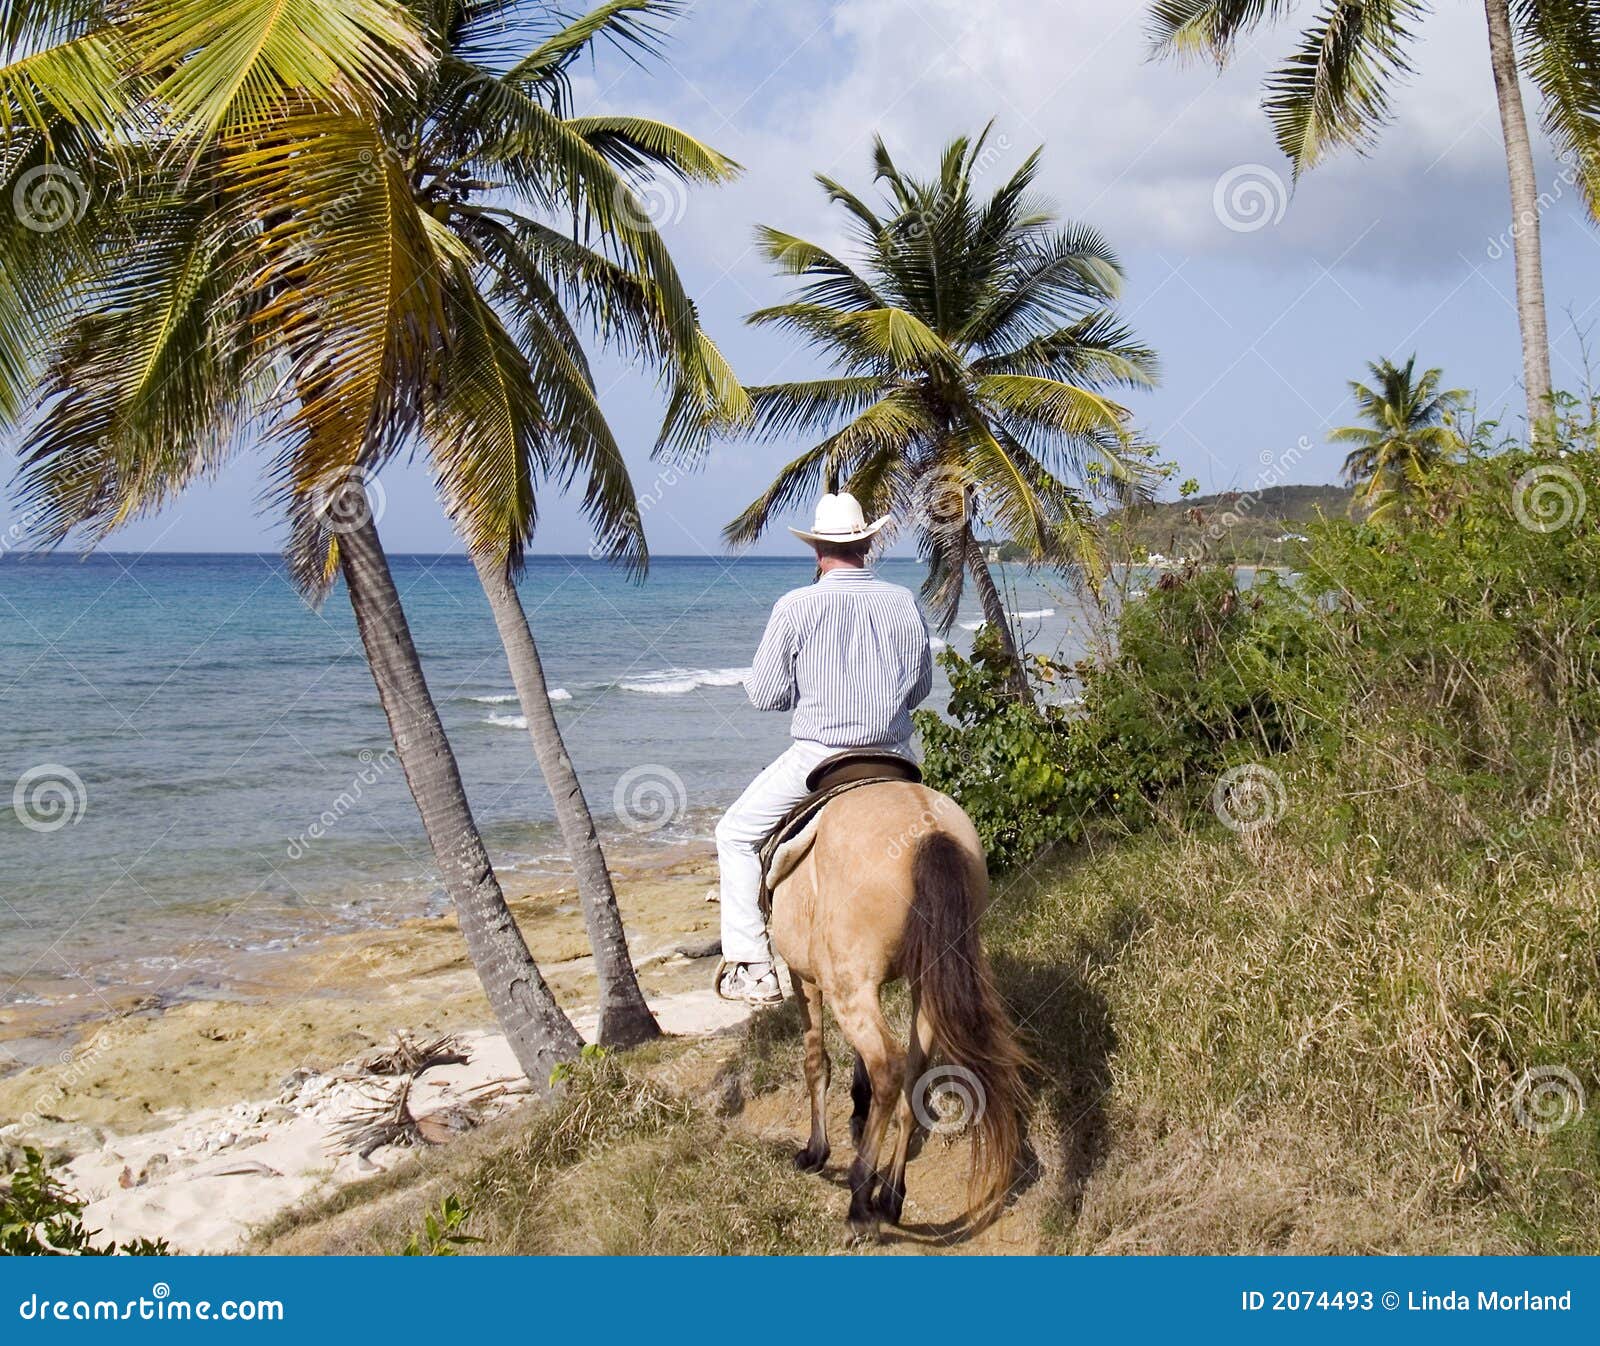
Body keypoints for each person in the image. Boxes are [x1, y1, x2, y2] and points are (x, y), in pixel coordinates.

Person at [714, 492, 934, 1005]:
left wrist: (804, 690)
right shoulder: (902, 601)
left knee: (735, 835)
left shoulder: (795, 606)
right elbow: (920, 687)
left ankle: (752, 964)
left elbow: (767, 694)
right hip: (896, 759)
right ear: (868, 543)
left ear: (817, 549)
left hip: (821, 760)